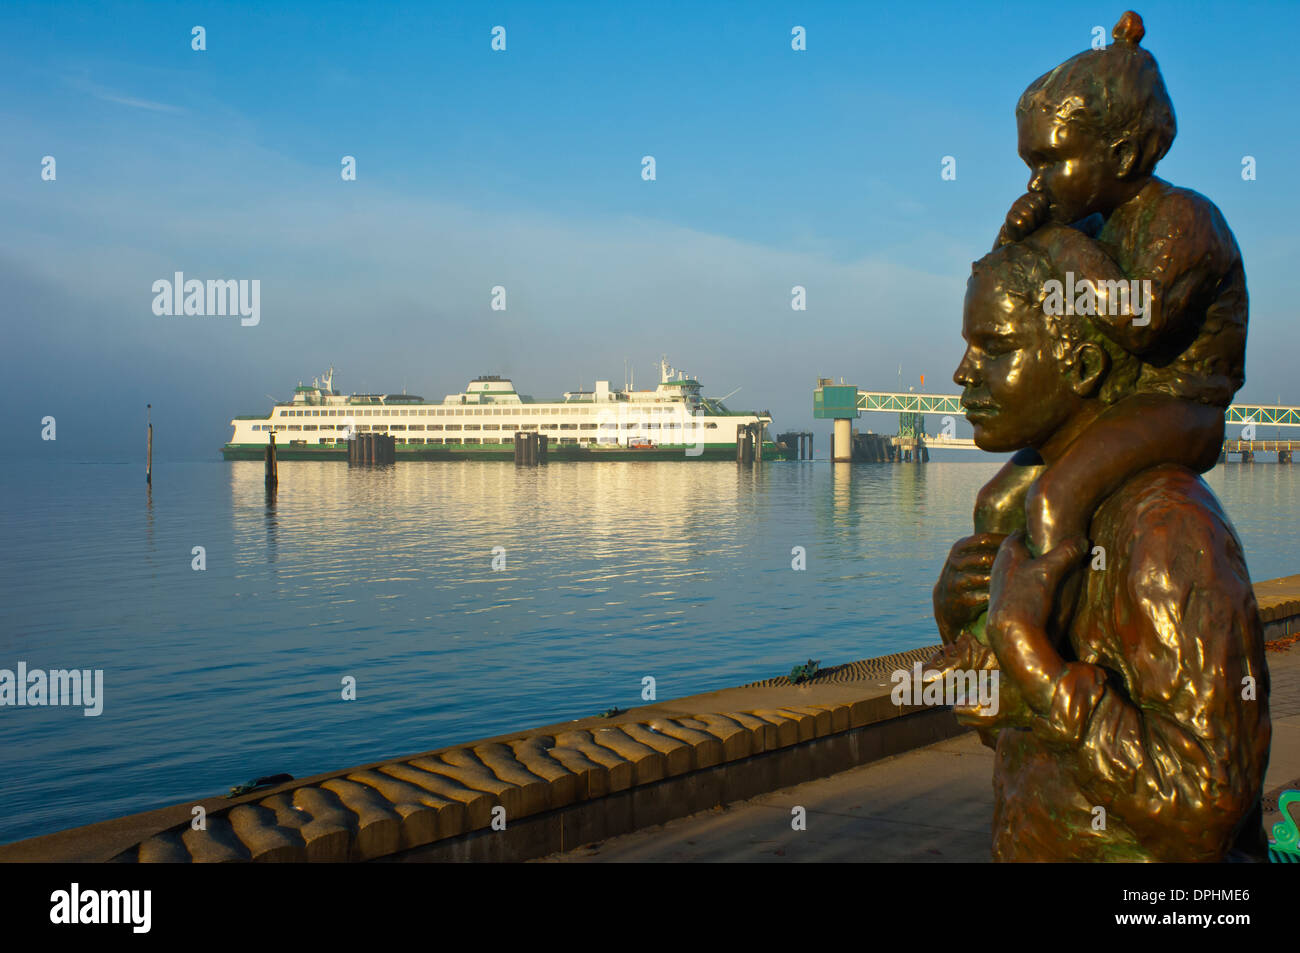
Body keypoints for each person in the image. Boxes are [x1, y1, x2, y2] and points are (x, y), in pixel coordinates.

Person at [933, 224, 1270, 861]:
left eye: (994, 347)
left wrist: (1034, 659)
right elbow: (1010, 737)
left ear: (1083, 366)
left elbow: (1206, 808)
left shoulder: (1166, 527)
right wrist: (959, 620)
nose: (961, 372)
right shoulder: (1027, 516)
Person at [991, 11, 1247, 557]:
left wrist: (1055, 241)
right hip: (1109, 401)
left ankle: (1044, 628)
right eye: (1029, 163)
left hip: (1180, 404)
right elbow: (1009, 299)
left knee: (1053, 499)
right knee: (995, 505)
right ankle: (982, 629)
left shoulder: (1185, 218)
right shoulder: (1089, 226)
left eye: (1050, 160)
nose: (1035, 182)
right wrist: (1010, 243)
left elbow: (1141, 322)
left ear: (1124, 155)